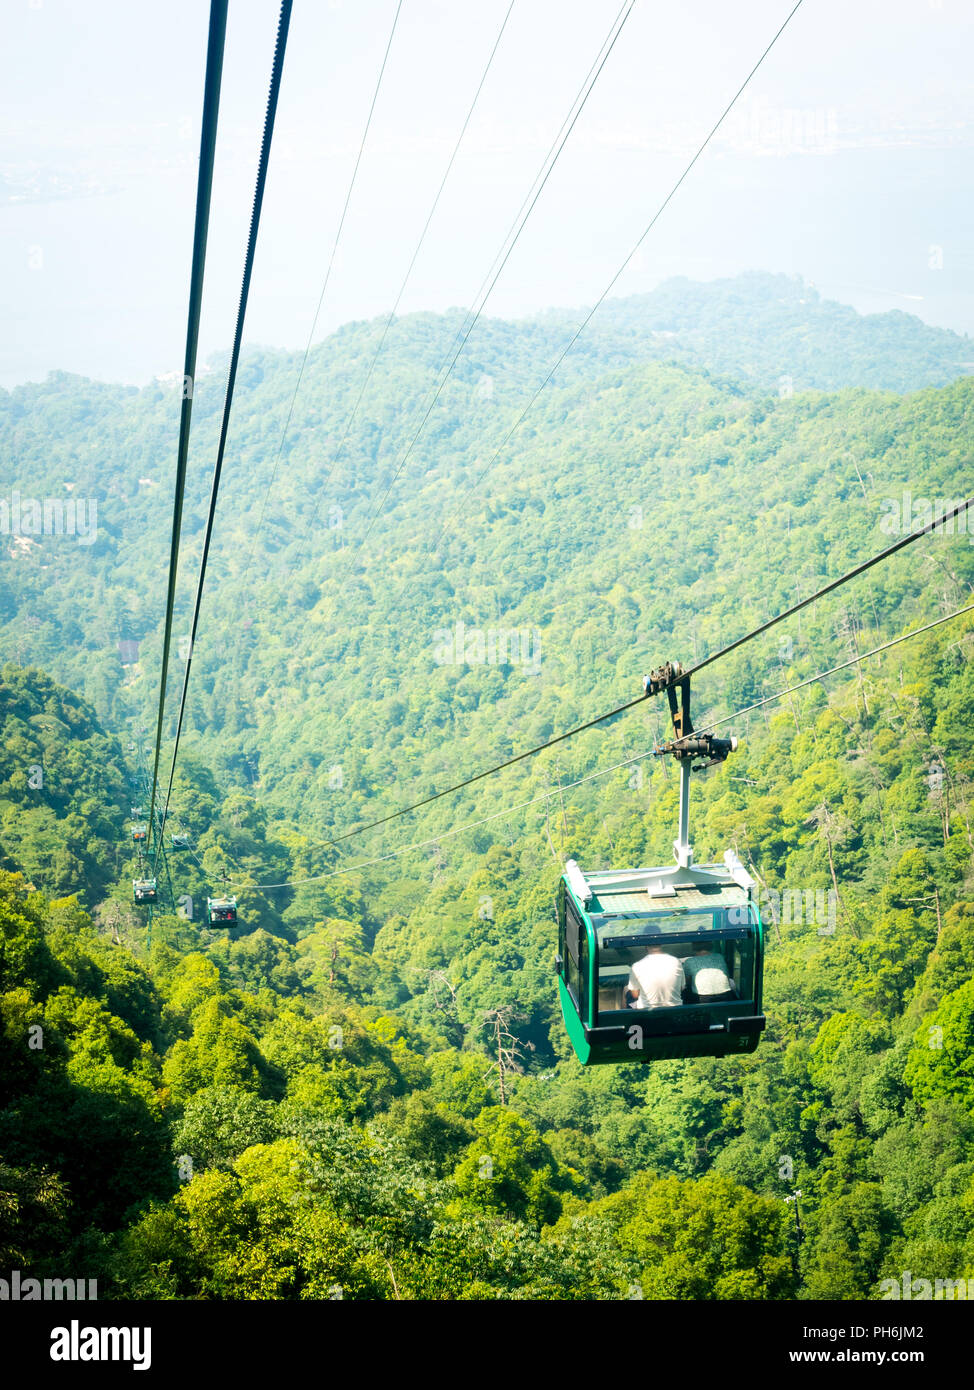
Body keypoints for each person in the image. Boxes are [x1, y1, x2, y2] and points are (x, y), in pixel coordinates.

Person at [625, 944, 685, 1009]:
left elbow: (635, 995)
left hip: (646, 1009)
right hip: (674, 1007)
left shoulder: (636, 966)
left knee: (626, 989)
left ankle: (623, 1017)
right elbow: (681, 988)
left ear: (646, 947)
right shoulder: (676, 961)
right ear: (661, 945)